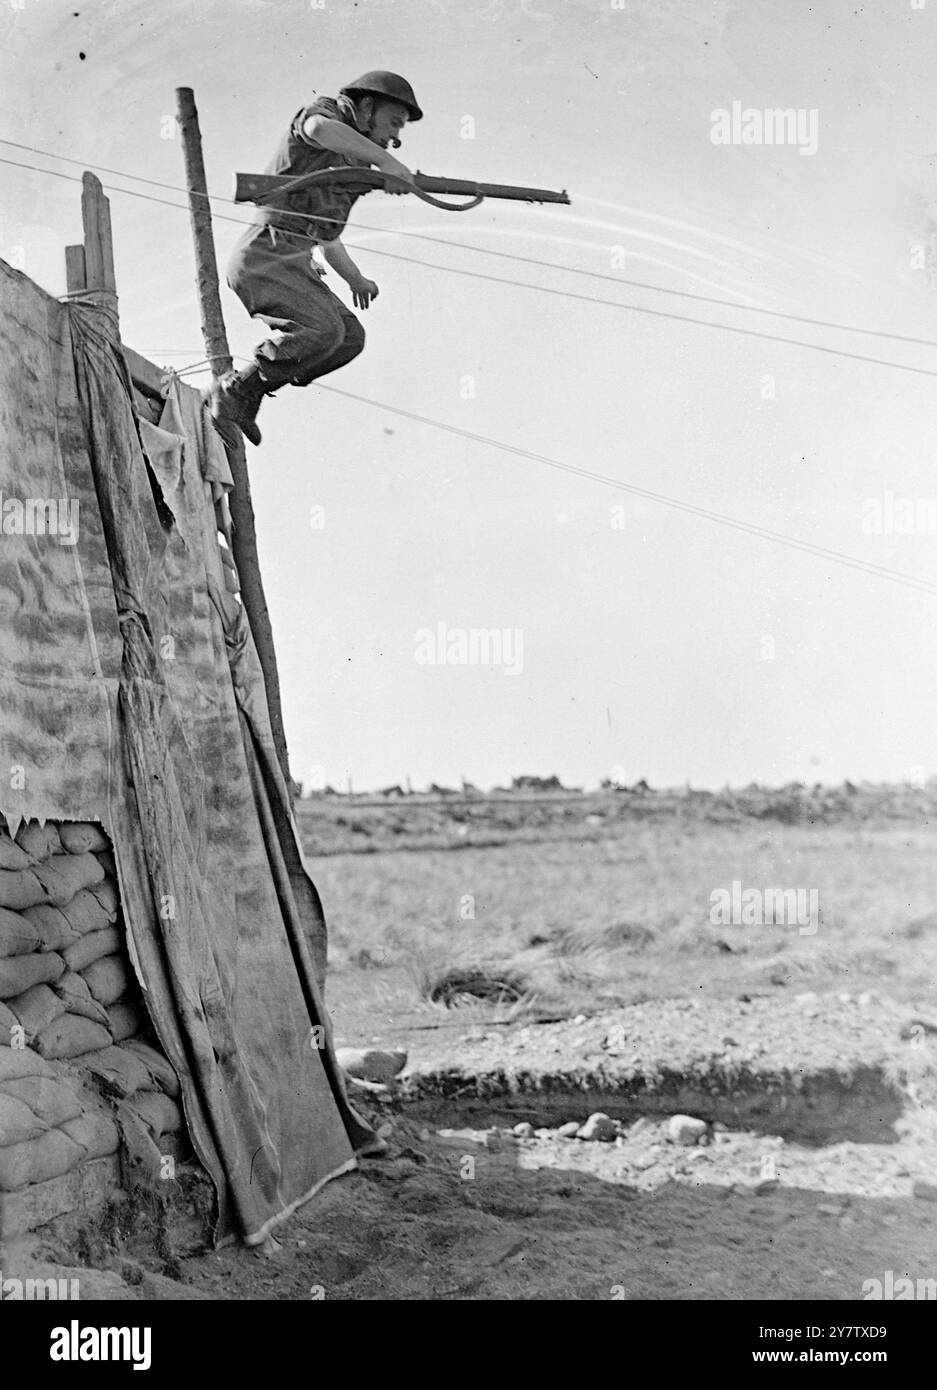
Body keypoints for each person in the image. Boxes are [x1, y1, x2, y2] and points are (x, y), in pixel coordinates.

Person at [210, 71, 422, 447]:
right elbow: (317, 128)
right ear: (367, 106)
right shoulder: (329, 114)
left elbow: (327, 234)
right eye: (393, 122)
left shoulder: (356, 160)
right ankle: (236, 390)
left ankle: (246, 391)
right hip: (265, 254)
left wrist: (355, 278)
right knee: (325, 331)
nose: (395, 137)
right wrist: (383, 161)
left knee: (349, 338)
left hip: (294, 258)